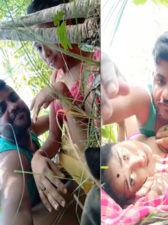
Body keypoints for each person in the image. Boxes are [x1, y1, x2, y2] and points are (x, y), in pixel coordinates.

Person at [26, 0, 100, 215]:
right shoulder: (57, 75)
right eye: (38, 47)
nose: (45, 54)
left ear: (68, 26)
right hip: (74, 176)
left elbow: (91, 151)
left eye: (47, 40)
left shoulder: (94, 71)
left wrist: (63, 95)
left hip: (93, 178)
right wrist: (38, 157)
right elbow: (54, 138)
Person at [103, 30, 168, 156]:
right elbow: (102, 110)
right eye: (160, 81)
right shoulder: (142, 98)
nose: (166, 95)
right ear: (153, 78)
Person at [0, 80, 79, 225]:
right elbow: (18, 211)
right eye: (1, 109)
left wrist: (58, 91)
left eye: (13, 98)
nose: (12, 107)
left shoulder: (27, 130)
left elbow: (57, 118)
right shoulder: (11, 159)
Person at [100, 131, 168, 207]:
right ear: (135, 196)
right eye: (131, 180)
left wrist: (121, 126)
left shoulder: (136, 136)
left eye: (125, 156)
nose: (140, 160)